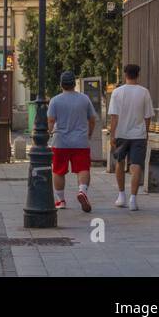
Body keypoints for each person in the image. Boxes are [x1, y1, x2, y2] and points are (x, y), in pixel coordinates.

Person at [47, 70, 97, 212]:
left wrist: (50, 133)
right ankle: (82, 191)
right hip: (81, 141)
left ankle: (60, 200)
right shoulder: (84, 99)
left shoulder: (55, 100)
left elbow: (51, 120)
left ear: (61, 84)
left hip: (60, 141)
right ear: (74, 84)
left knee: (58, 171)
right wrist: (89, 134)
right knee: (83, 168)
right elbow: (92, 119)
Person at [108, 63, 155, 211]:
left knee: (120, 163)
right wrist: (145, 133)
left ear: (125, 74)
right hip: (138, 135)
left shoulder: (117, 92)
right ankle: (133, 199)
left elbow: (114, 117)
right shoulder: (144, 92)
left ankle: (121, 196)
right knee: (136, 166)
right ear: (138, 75)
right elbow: (148, 116)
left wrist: (112, 135)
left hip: (121, 133)